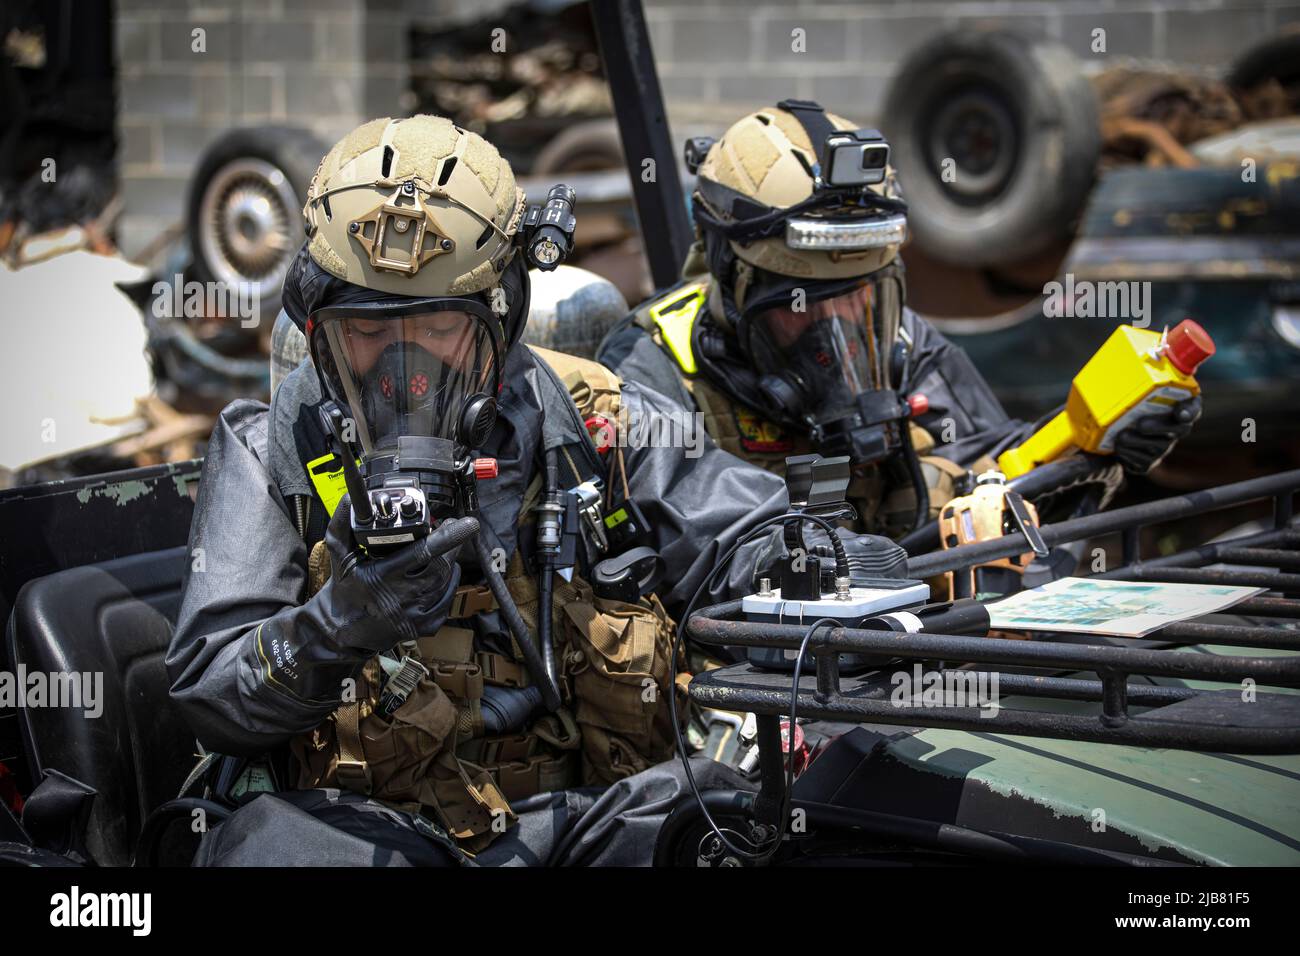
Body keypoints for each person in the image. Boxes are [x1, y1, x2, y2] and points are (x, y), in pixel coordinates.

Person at [164, 114, 897, 867]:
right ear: (320, 334)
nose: (405, 372)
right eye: (368, 333)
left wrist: (819, 565)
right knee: (270, 849)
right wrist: (336, 626)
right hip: (370, 833)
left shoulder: (592, 420)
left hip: (585, 822)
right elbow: (210, 695)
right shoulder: (273, 450)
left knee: (734, 817)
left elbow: (742, 531)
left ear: (501, 318)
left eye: (440, 328)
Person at [598, 100, 1201, 540]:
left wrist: (1093, 447)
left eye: (859, 300)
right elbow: (682, 546)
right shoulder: (650, 368)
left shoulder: (902, 340)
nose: (836, 328)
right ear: (730, 278)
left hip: (907, 642)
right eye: (801, 304)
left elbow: (995, 462)